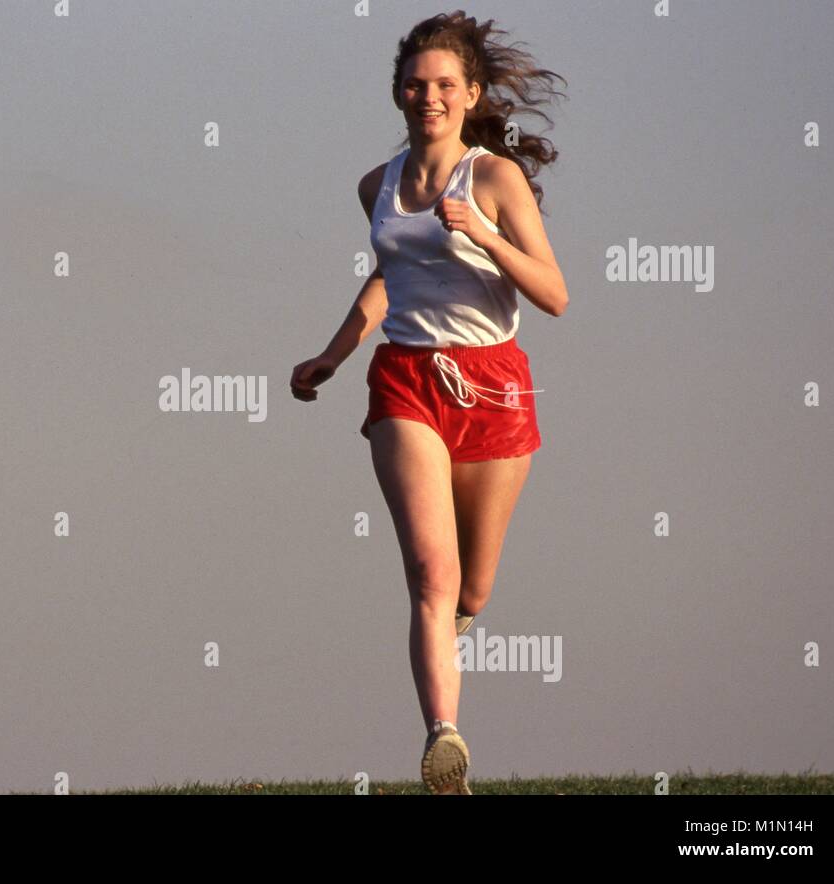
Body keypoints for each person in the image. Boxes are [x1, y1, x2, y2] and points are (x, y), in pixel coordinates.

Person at [290, 11, 569, 794]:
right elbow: (392, 276)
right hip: (407, 379)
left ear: (471, 93)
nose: (429, 96)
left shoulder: (495, 180)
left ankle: (457, 630)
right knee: (429, 571)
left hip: (494, 387)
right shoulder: (376, 186)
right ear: (398, 94)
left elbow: (554, 294)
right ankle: (443, 742)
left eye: (445, 84)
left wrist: (482, 231)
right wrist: (335, 354)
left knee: (471, 590)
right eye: (416, 84)